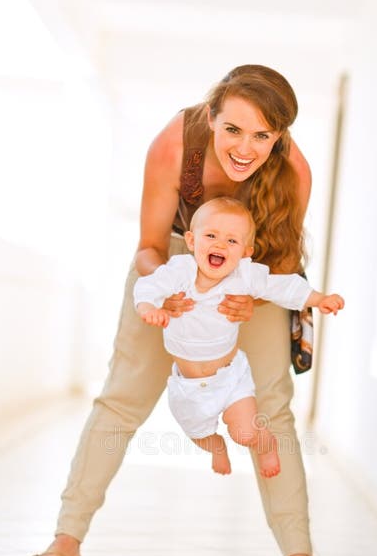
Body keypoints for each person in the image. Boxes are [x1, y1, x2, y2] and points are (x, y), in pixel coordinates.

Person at [27, 64, 333, 556]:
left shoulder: (294, 172)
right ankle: (65, 539)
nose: (245, 148)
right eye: (233, 130)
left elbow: (282, 268)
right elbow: (147, 245)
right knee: (123, 398)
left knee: (271, 407)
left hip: (252, 273)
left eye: (262, 136)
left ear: (279, 136)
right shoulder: (176, 144)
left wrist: (248, 298)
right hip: (171, 262)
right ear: (210, 117)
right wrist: (167, 292)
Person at [134, 196, 344, 478]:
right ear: (191, 240)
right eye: (211, 236)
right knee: (196, 433)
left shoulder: (244, 276)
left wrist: (319, 299)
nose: (220, 244)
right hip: (188, 385)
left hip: (230, 376)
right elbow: (150, 285)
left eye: (232, 241)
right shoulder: (180, 271)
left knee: (245, 433)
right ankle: (215, 446)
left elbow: (282, 287)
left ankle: (265, 442)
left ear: (246, 252)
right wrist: (149, 307)